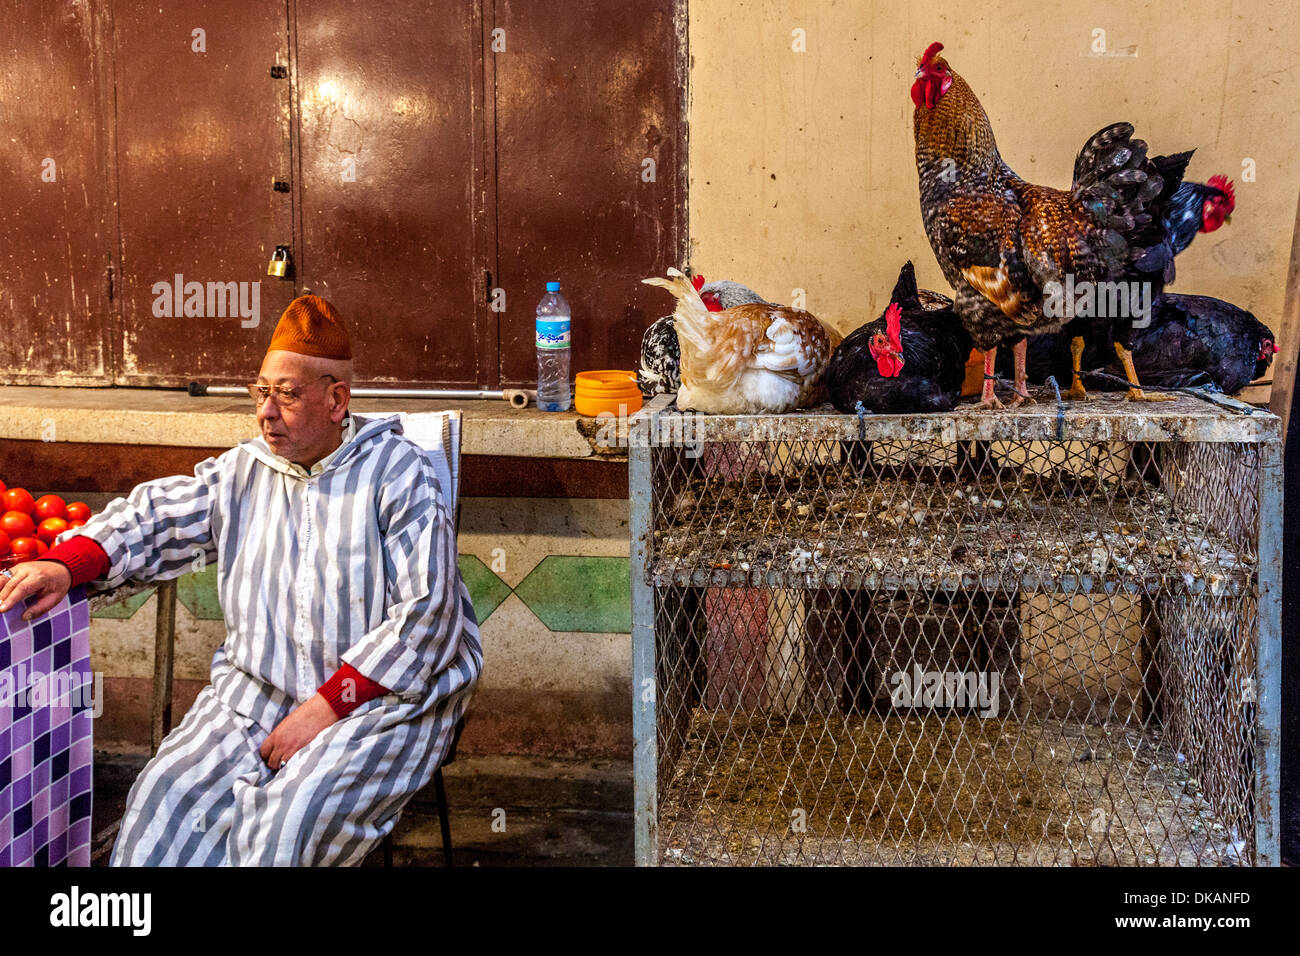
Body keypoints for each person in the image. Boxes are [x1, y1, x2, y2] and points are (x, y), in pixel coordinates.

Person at [0, 294, 482, 865]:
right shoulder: (245, 470)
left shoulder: (399, 473)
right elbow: (157, 516)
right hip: (254, 694)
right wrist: (66, 562)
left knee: (286, 828)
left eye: (287, 394)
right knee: (161, 806)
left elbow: (427, 617)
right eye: (261, 392)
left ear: (336, 400)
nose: (266, 412)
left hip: (381, 702)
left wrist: (326, 706)